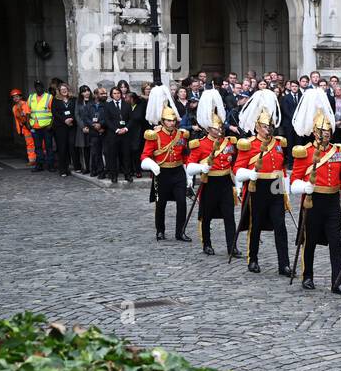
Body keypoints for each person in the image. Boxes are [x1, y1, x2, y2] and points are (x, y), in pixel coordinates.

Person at [289, 88, 341, 295]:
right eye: (323, 132)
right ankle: (307, 276)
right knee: (310, 240)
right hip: (313, 201)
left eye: (328, 132)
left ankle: (337, 281)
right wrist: (303, 187)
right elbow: (294, 181)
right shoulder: (304, 152)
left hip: (332, 201)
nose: (326, 135)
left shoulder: (337, 151)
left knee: (336, 242)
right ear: (315, 132)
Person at [233, 91, 292, 276]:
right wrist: (250, 173)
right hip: (257, 187)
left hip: (275, 186)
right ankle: (253, 259)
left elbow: (281, 168)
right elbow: (237, 169)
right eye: (265, 126)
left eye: (270, 126)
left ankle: (284, 264)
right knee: (255, 224)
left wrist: (286, 191)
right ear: (257, 126)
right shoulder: (249, 144)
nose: (269, 129)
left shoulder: (278, 143)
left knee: (280, 226)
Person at [186, 90, 240, 257]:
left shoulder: (229, 142)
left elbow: (235, 163)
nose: (219, 131)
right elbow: (189, 165)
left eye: (220, 128)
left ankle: (232, 246)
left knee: (229, 216)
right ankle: (206, 244)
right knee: (207, 215)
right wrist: (201, 168)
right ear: (209, 128)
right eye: (216, 129)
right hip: (209, 183)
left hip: (225, 182)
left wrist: (238, 184)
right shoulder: (200, 144)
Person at [139, 87, 191, 241]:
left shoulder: (181, 135)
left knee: (182, 202)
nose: (171, 123)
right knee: (160, 203)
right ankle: (160, 230)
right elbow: (144, 156)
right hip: (161, 173)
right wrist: (151, 165)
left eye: (174, 120)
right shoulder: (154, 135)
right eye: (168, 120)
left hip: (177, 172)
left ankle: (180, 232)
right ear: (163, 121)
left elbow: (186, 155)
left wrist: (189, 173)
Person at [102, 85, 133, 183]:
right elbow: (107, 120)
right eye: (114, 93)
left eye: (118, 93)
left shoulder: (127, 104)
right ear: (111, 95)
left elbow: (131, 119)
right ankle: (113, 175)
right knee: (112, 155)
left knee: (126, 155)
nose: (117, 95)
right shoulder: (108, 105)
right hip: (113, 134)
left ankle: (127, 174)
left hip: (125, 134)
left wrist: (126, 128)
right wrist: (116, 130)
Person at [27, 79, 55, 172]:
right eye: (36, 87)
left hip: (46, 127)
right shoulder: (31, 97)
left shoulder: (49, 97)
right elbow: (28, 111)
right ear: (35, 88)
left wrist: (51, 124)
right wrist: (28, 123)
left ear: (43, 87)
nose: (38, 88)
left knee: (48, 147)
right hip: (35, 127)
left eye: (40, 86)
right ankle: (39, 165)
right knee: (38, 147)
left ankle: (50, 165)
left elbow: (54, 112)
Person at [52, 83, 75, 177]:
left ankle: (71, 167)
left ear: (68, 89)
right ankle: (63, 169)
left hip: (72, 126)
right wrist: (64, 120)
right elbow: (54, 112)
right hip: (60, 127)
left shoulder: (73, 99)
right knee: (62, 148)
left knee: (71, 146)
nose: (64, 90)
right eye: (62, 89)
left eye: (65, 89)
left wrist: (71, 119)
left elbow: (76, 111)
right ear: (59, 91)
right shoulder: (56, 100)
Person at [10, 89, 36, 167]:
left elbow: (27, 114)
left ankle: (41, 158)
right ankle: (32, 160)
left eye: (17, 96)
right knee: (29, 144)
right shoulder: (14, 108)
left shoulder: (24, 104)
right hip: (24, 128)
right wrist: (19, 131)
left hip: (31, 126)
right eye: (14, 97)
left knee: (39, 143)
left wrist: (28, 125)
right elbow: (17, 120)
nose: (15, 98)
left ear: (20, 97)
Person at [73, 85, 94, 174]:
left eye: (88, 90)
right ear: (81, 93)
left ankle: (93, 167)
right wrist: (83, 127)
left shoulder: (92, 101)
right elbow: (77, 115)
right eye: (84, 91)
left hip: (92, 127)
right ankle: (85, 167)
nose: (87, 93)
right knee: (84, 148)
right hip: (82, 129)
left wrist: (90, 126)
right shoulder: (78, 102)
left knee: (92, 148)